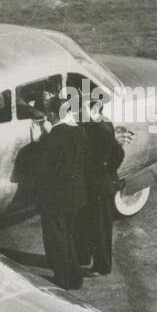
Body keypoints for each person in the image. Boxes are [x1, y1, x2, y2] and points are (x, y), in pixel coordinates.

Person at [33, 93, 88, 290]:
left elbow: (44, 168)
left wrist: (38, 141)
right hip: (75, 196)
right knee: (67, 237)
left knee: (56, 240)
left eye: (48, 112)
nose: (46, 116)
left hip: (56, 198)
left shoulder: (55, 137)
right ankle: (74, 276)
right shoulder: (80, 131)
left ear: (55, 114)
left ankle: (64, 278)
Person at [78, 96, 128, 275]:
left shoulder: (101, 128)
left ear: (93, 110)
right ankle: (86, 257)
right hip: (96, 183)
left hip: (100, 184)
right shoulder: (98, 124)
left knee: (100, 227)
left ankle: (102, 266)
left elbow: (118, 153)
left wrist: (105, 170)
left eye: (84, 109)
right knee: (91, 223)